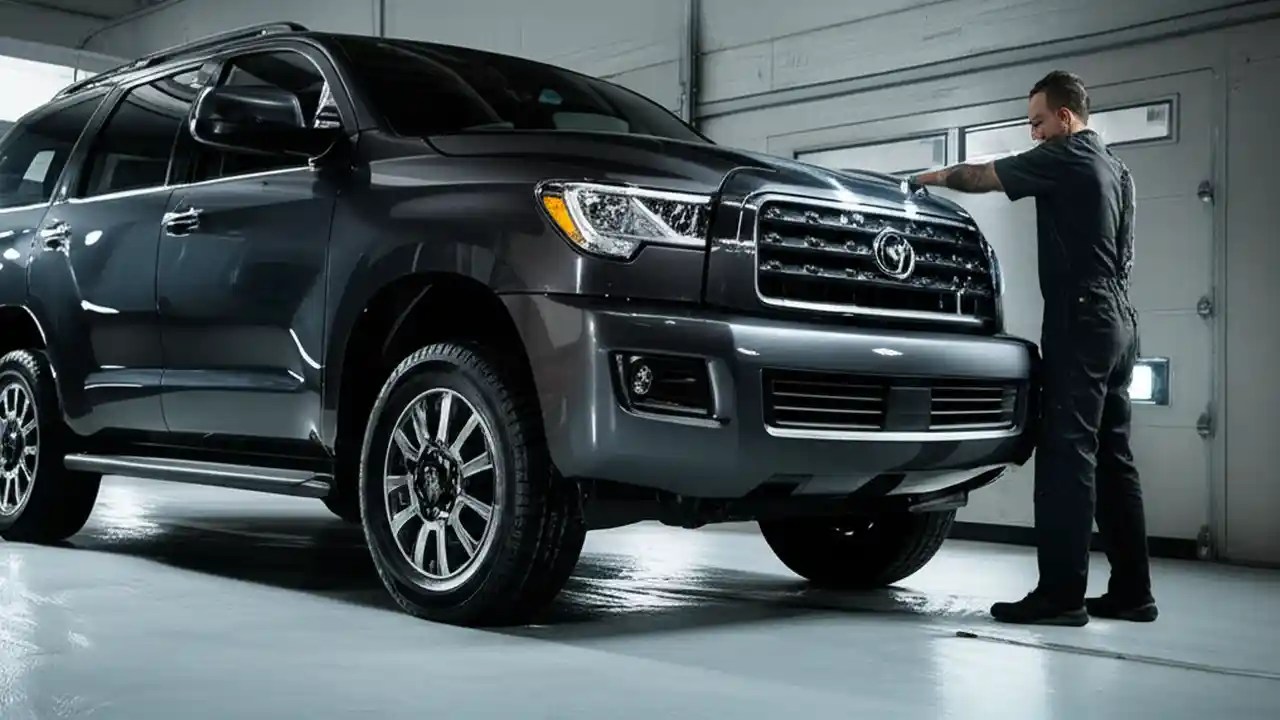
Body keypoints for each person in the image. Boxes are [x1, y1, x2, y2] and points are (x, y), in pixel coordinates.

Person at [910, 70, 1157, 626]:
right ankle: (1133, 592)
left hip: (1081, 320)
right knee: (1116, 462)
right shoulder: (1119, 170)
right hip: (1120, 324)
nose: (1035, 135)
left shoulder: (1067, 155)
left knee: (1067, 458)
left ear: (1066, 119)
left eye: (1038, 122)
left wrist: (925, 177)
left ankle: (1061, 595)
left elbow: (981, 176)